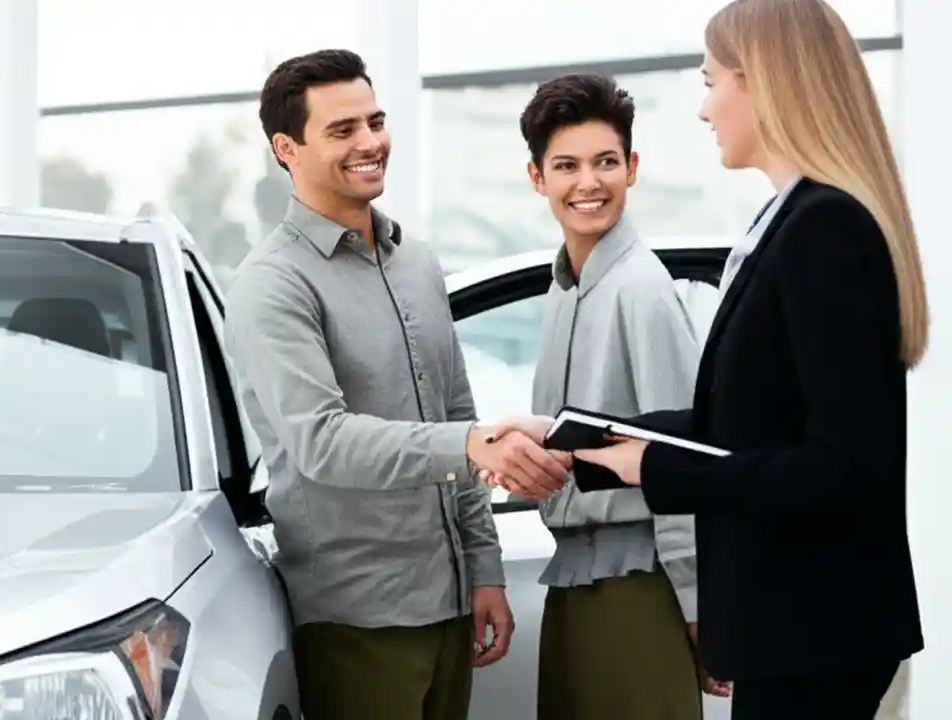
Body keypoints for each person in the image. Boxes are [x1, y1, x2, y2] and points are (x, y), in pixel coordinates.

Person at [568, 1, 927, 718]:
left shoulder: (824, 230)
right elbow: (748, 422)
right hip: (801, 629)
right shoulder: (792, 221)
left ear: (762, 83)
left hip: (814, 631)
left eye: (710, 82)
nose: (704, 110)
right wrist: (588, 442)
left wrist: (661, 467)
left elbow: (847, 466)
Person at [223, 49, 571, 720]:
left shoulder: (416, 262)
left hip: (448, 604)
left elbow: (456, 411)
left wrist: (484, 568)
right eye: (343, 129)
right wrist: (471, 444)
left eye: (375, 121)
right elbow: (322, 442)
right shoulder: (272, 284)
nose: (370, 143)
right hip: (358, 619)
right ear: (285, 148)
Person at [511, 72, 731, 719]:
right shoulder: (565, 288)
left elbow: (687, 458)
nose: (589, 183)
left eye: (606, 162)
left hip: (639, 591)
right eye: (567, 165)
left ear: (632, 168)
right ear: (537, 177)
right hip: (577, 588)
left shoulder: (641, 289)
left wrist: (697, 607)